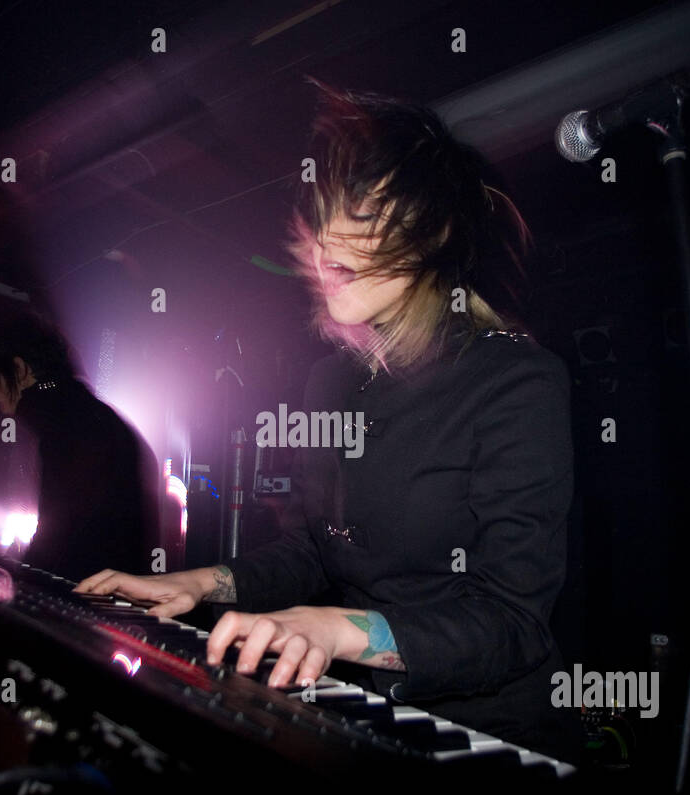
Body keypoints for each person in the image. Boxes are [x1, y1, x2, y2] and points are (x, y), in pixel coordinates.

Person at [76, 81, 578, 759]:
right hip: (361, 710)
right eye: (322, 214)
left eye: (364, 213)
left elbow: (513, 622)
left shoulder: (516, 382)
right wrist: (194, 584)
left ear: (433, 233)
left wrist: (342, 631)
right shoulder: (329, 380)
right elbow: (316, 550)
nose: (326, 241)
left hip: (491, 732)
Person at [0, 315, 157, 581]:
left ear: (19, 370)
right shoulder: (83, 411)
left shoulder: (65, 422)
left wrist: (20, 587)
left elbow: (60, 533)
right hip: (103, 596)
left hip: (84, 598)